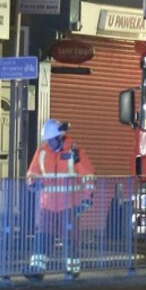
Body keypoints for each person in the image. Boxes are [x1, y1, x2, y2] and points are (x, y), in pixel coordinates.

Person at [25, 119, 95, 280]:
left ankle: (72, 271)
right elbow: (32, 173)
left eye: (51, 140)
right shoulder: (42, 152)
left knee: (70, 240)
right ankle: (37, 270)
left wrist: (86, 199)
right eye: (47, 140)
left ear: (60, 137)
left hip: (69, 205)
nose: (49, 143)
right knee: (43, 237)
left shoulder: (74, 152)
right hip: (47, 205)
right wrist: (32, 183)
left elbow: (88, 176)